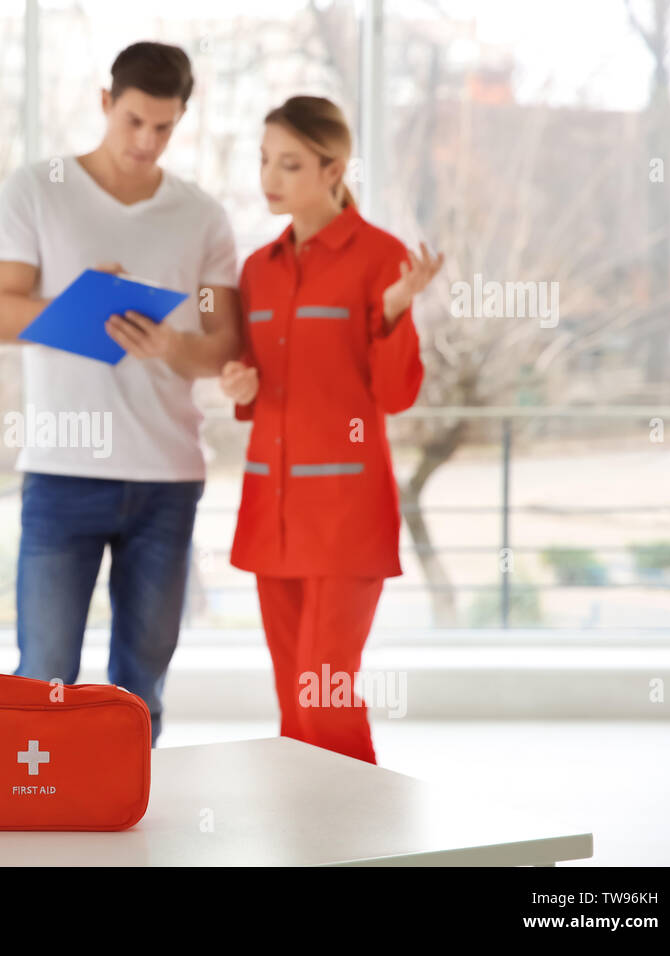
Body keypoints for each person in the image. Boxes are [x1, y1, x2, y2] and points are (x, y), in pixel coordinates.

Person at [0, 41, 242, 746]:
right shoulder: (37, 189)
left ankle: (127, 817)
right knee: (44, 674)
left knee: (141, 683)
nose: (146, 142)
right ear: (105, 103)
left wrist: (172, 346)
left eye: (164, 127)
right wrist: (74, 304)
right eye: (133, 121)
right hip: (63, 474)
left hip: (167, 477)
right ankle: (38, 818)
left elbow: (221, 345)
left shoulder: (203, 216)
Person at [220, 95, 443, 764]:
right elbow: (261, 382)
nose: (271, 177)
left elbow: (396, 394)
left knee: (326, 691)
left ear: (334, 168)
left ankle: (361, 847)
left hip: (345, 514)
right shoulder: (257, 270)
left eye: (290, 164)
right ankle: (308, 843)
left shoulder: (381, 258)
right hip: (273, 509)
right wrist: (242, 386)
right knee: (294, 699)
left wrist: (396, 312)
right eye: (265, 160)